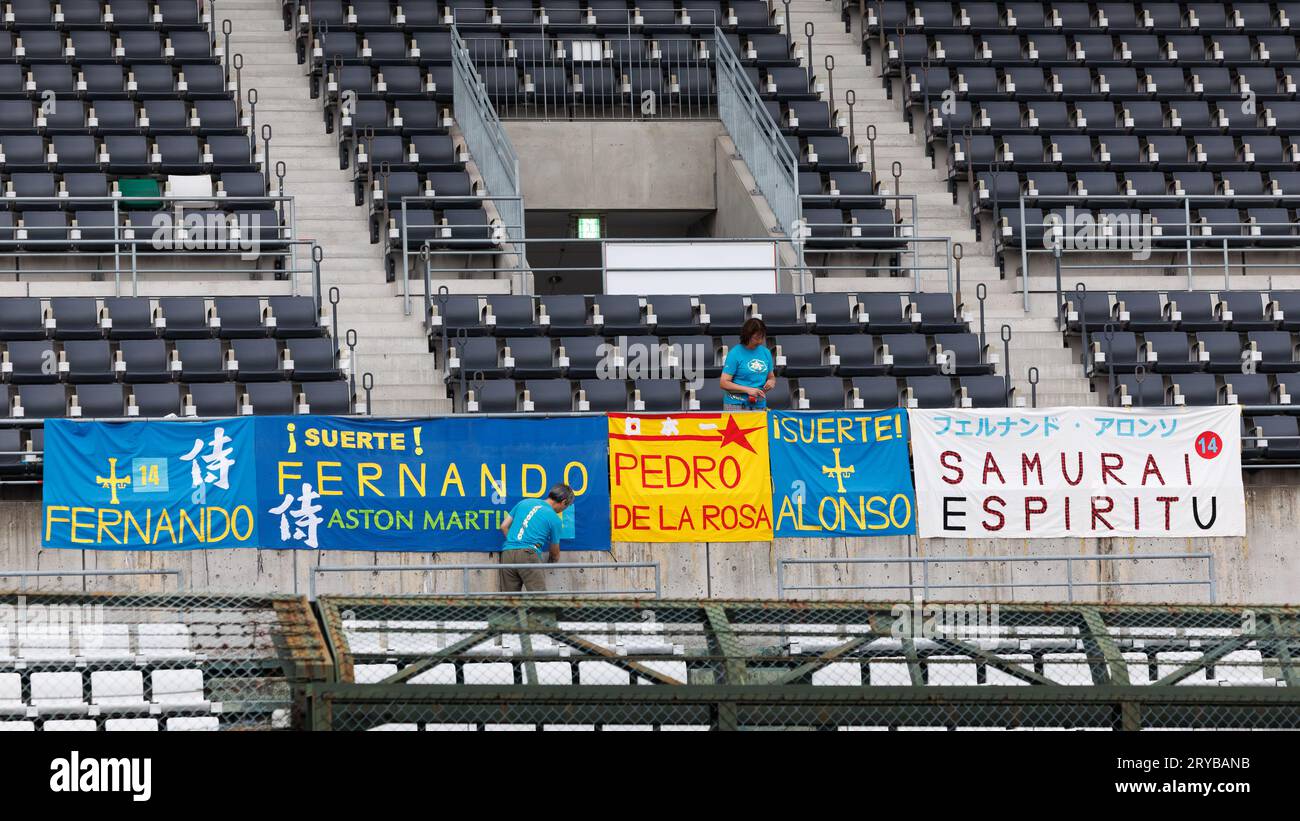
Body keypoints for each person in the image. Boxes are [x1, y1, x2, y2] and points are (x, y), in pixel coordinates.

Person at [497, 484, 575, 592]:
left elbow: (504, 526)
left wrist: (514, 543)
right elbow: (555, 552)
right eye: (566, 507)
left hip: (507, 553)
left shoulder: (524, 503)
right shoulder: (554, 519)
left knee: (510, 600)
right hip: (528, 555)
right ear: (563, 502)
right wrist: (553, 561)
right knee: (539, 600)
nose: (563, 510)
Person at [719, 317, 776, 410]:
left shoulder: (766, 352)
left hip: (759, 403)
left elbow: (771, 376)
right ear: (748, 335)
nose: (760, 341)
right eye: (756, 338)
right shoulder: (735, 353)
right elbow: (723, 383)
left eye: (762, 337)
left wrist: (771, 382)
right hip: (736, 404)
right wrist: (748, 390)